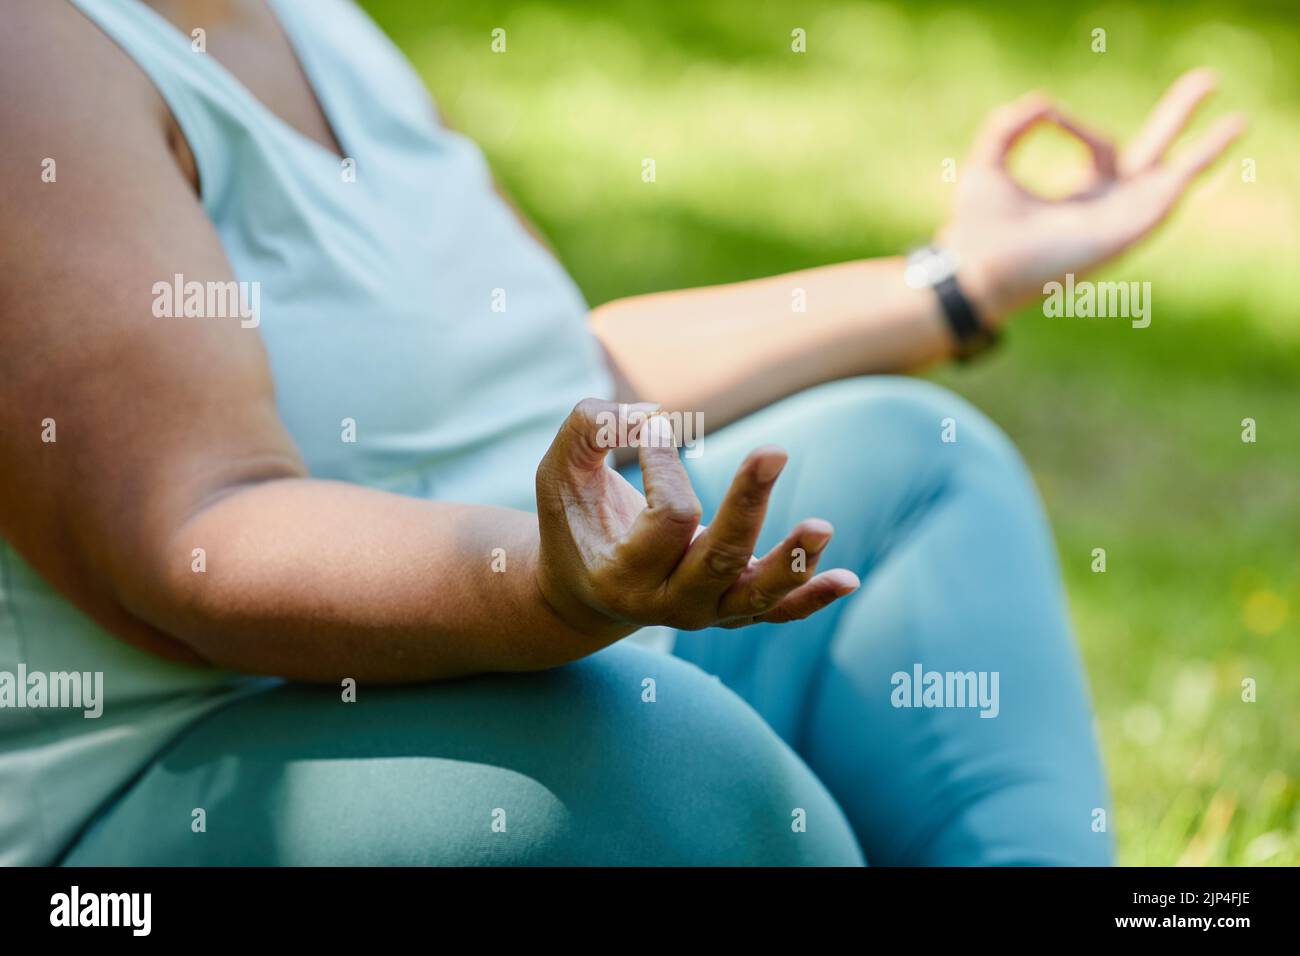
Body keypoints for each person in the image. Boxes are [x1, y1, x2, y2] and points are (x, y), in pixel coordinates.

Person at [0, 0, 1242, 865]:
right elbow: (197, 535)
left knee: (918, 463)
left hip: (539, 639)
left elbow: (556, 372)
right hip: (167, 781)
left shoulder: (315, 20)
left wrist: (957, 277)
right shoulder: (33, 57)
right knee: (650, 754)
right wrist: (546, 591)